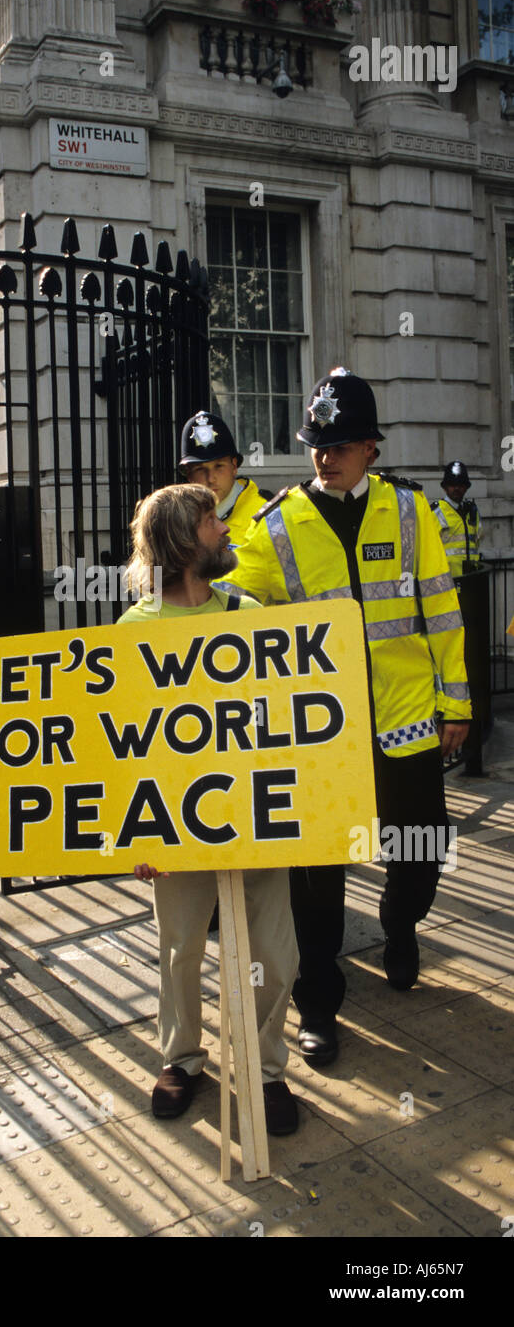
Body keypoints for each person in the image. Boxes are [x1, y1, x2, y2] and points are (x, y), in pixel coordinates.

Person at [216, 368, 472, 1067]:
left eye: (339, 445)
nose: (324, 457)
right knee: (316, 877)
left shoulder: (413, 514)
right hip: (321, 735)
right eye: (317, 445)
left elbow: (443, 614)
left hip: (409, 717)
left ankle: (400, 924)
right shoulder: (276, 526)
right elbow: (230, 605)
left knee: (420, 850)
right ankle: (319, 1005)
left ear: (370, 449)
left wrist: (457, 704)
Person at [118, 483, 300, 1134]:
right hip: (177, 824)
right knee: (182, 950)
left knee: (276, 957)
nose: (224, 529)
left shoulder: (249, 614)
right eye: (211, 521)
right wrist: (137, 832)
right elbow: (124, 743)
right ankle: (183, 1060)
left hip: (256, 816)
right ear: (178, 539)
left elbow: (286, 717)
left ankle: (266, 1070)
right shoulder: (135, 630)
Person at [178, 410, 268, 558]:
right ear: (188, 474)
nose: (211, 478)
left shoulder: (266, 515)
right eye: (200, 469)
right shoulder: (176, 519)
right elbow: (154, 573)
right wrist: (155, 581)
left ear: (234, 466)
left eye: (219, 466)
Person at [431, 461, 482, 578]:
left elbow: (477, 542)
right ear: (445, 487)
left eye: (461, 484)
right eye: (452, 484)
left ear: (466, 487)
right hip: (446, 581)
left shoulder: (472, 511)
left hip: (472, 579)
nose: (457, 488)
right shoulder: (436, 512)